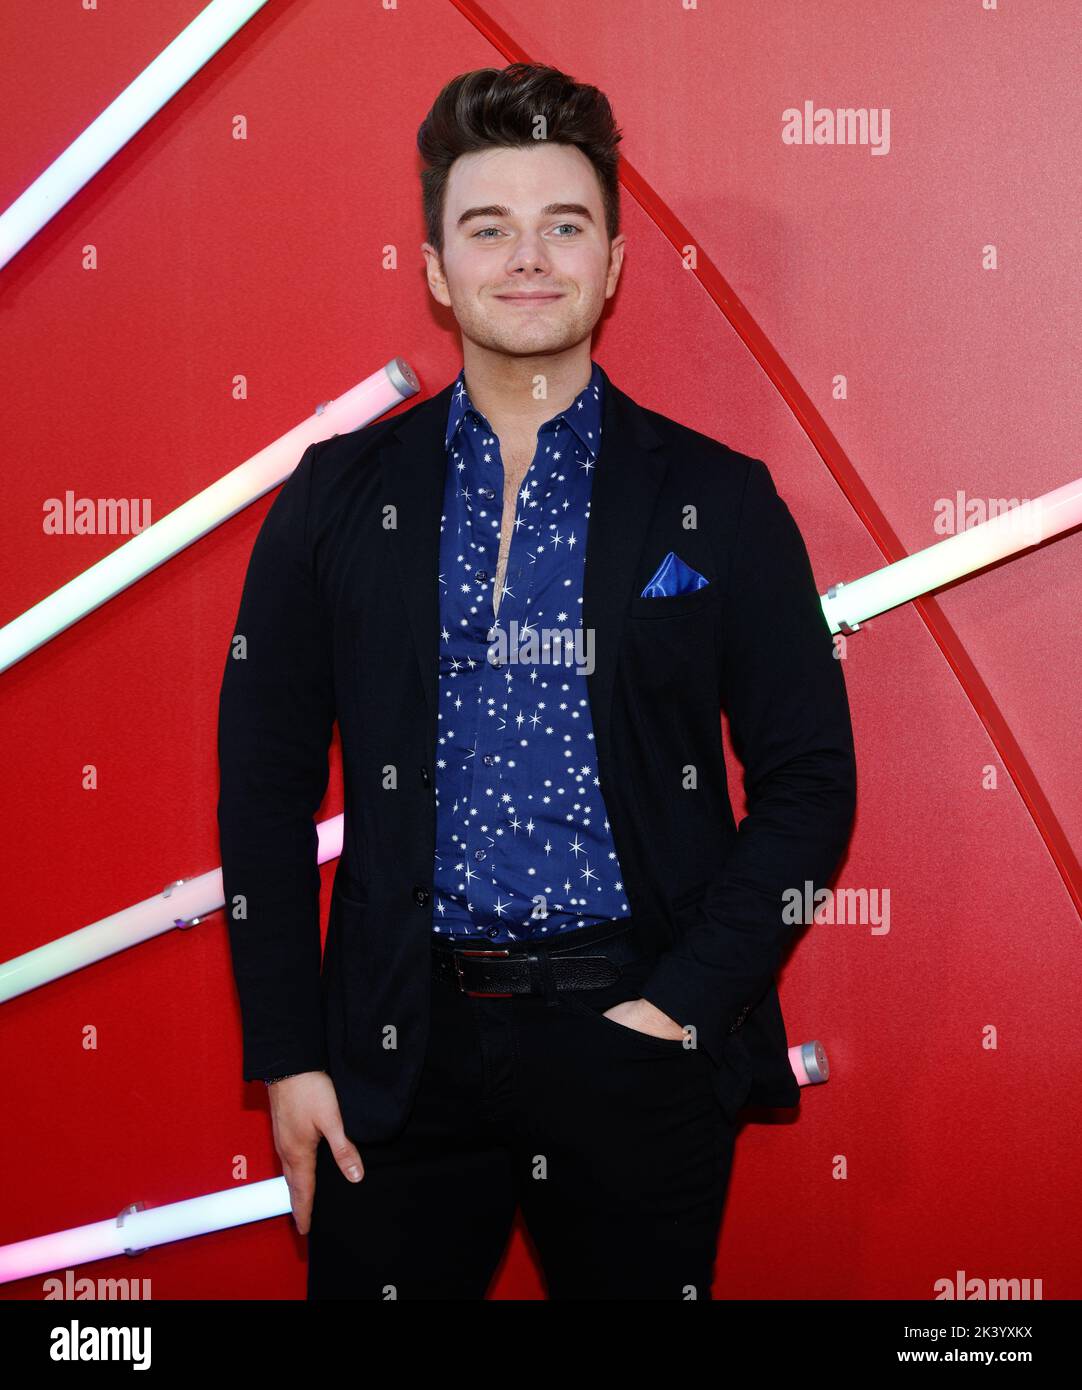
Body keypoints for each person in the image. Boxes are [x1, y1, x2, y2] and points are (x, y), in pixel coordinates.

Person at [216, 62, 857, 1301]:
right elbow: (263, 788)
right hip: (395, 1049)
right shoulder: (334, 496)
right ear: (433, 267)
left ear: (610, 265)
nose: (526, 258)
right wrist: (290, 1056)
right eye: (487, 228)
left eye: (563, 226)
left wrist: (681, 1008)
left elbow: (809, 779)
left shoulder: (718, 500)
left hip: (634, 1033)